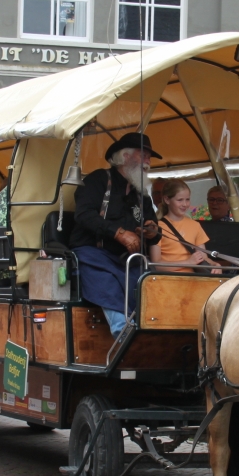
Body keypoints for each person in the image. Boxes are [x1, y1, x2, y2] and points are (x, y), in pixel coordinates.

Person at [69, 132, 160, 335]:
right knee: (107, 283)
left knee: (147, 287)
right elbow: (83, 214)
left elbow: (154, 226)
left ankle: (150, 334)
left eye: (149, 157)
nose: (148, 161)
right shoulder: (98, 180)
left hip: (127, 260)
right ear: (125, 156)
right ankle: (122, 330)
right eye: (143, 155)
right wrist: (118, 233)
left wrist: (152, 231)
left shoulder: (141, 192)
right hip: (94, 253)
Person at [150, 178, 218, 274]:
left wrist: (216, 265)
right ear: (167, 199)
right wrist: (188, 262)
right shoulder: (157, 227)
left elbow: (203, 257)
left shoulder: (195, 225)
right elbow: (156, 265)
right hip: (166, 281)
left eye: (187, 199)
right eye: (180, 200)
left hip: (193, 281)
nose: (185, 204)